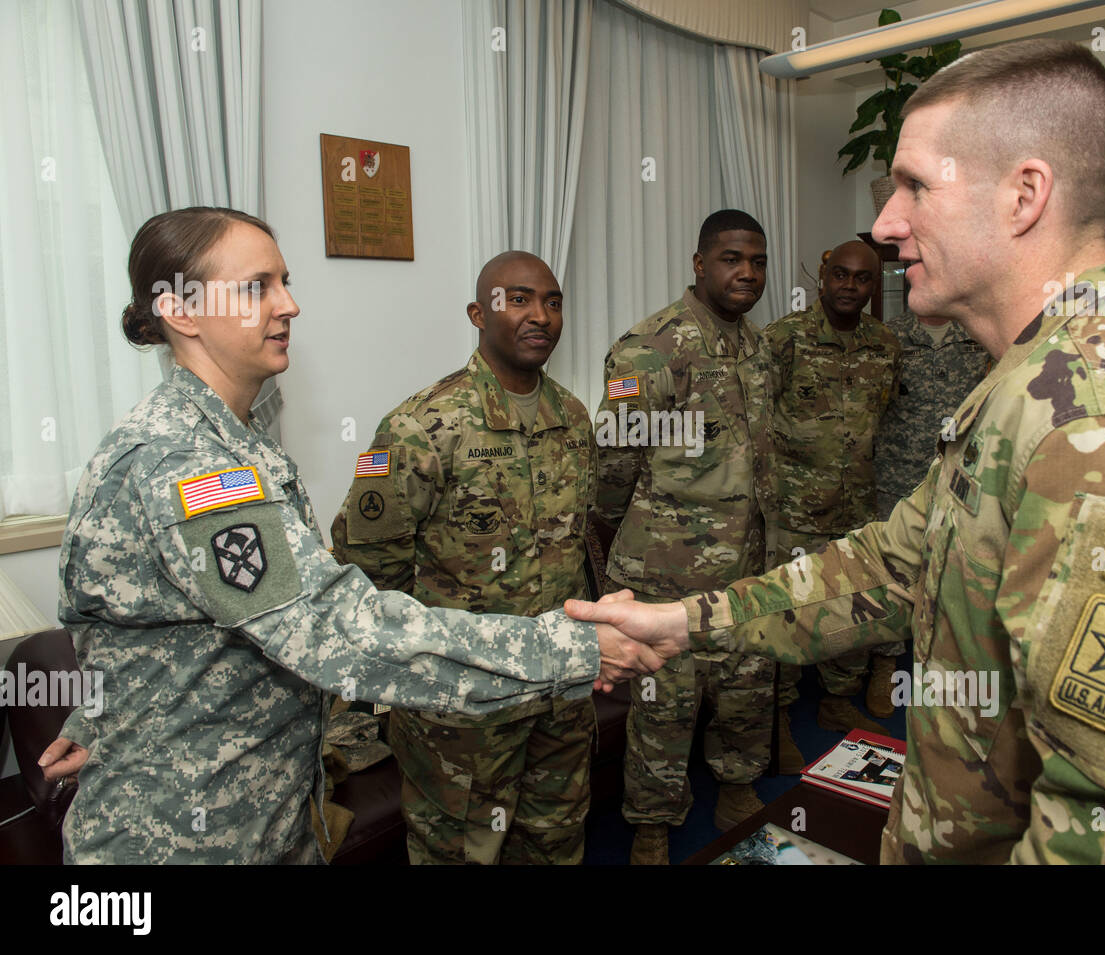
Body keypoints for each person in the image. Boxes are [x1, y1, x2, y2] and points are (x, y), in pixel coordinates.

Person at [568, 39, 1105, 864]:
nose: (885, 225)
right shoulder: (1036, 386)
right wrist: (679, 621)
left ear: (1025, 195)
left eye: (915, 185)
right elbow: (893, 565)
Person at [39, 207, 652, 864]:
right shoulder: (186, 465)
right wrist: (579, 646)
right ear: (182, 312)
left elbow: (130, 619)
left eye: (285, 281)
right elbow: (337, 627)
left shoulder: (239, 447)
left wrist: (108, 709)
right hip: (183, 841)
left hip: (271, 815)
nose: (291, 305)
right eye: (258, 287)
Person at [330, 251, 596, 865]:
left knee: (556, 837)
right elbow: (369, 569)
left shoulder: (573, 418)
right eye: (519, 299)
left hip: (560, 685)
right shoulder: (419, 427)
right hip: (464, 700)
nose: (540, 316)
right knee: (459, 851)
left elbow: (577, 544)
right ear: (479, 313)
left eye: (553, 302)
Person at [594, 209, 773, 863]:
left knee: (746, 687)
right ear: (699, 264)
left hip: (745, 566)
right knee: (662, 707)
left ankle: (737, 784)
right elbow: (611, 466)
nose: (745, 273)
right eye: (731, 258)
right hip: (664, 571)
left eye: (756, 261)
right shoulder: (651, 348)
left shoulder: (758, 347)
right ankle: (650, 823)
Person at [762, 240, 902, 770]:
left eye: (861, 279)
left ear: (874, 285)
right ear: (822, 277)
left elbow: (879, 416)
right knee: (786, 613)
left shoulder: (885, 345)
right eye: (839, 275)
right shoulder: (784, 340)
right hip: (793, 512)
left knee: (853, 610)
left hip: (856, 508)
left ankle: (838, 702)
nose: (849, 287)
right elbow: (757, 418)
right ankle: (776, 719)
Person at [874, 309, 989, 519]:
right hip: (898, 483)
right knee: (895, 549)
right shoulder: (888, 335)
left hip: (961, 479)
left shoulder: (980, 331)